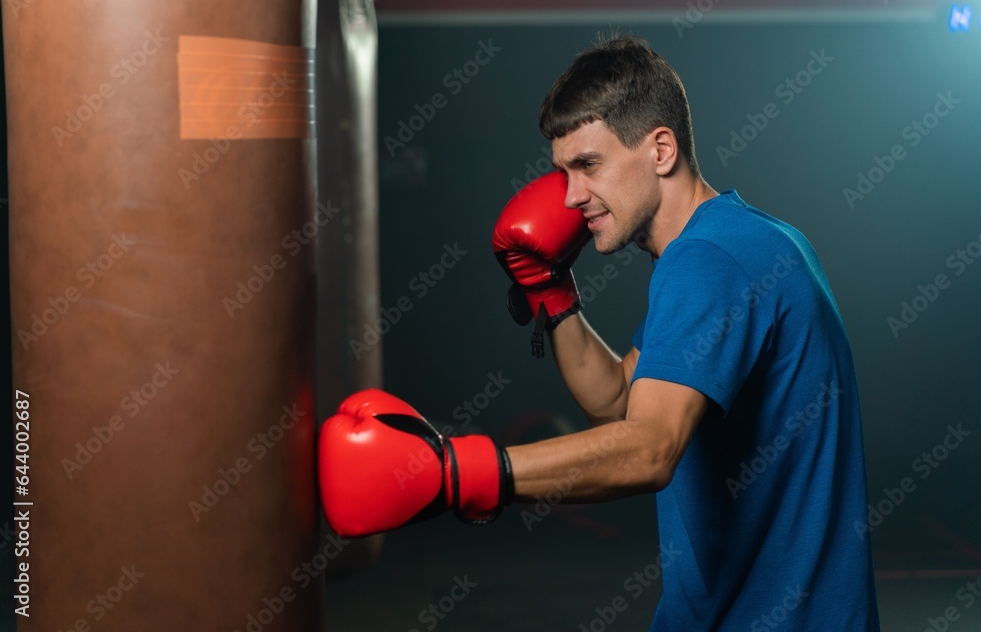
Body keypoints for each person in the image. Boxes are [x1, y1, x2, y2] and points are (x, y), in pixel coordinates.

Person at [318, 34, 881, 630]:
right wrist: (551, 291)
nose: (571, 196)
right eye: (562, 172)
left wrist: (460, 473)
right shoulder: (750, 239)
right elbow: (617, 400)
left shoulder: (707, 263)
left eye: (588, 165)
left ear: (661, 149)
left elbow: (648, 448)